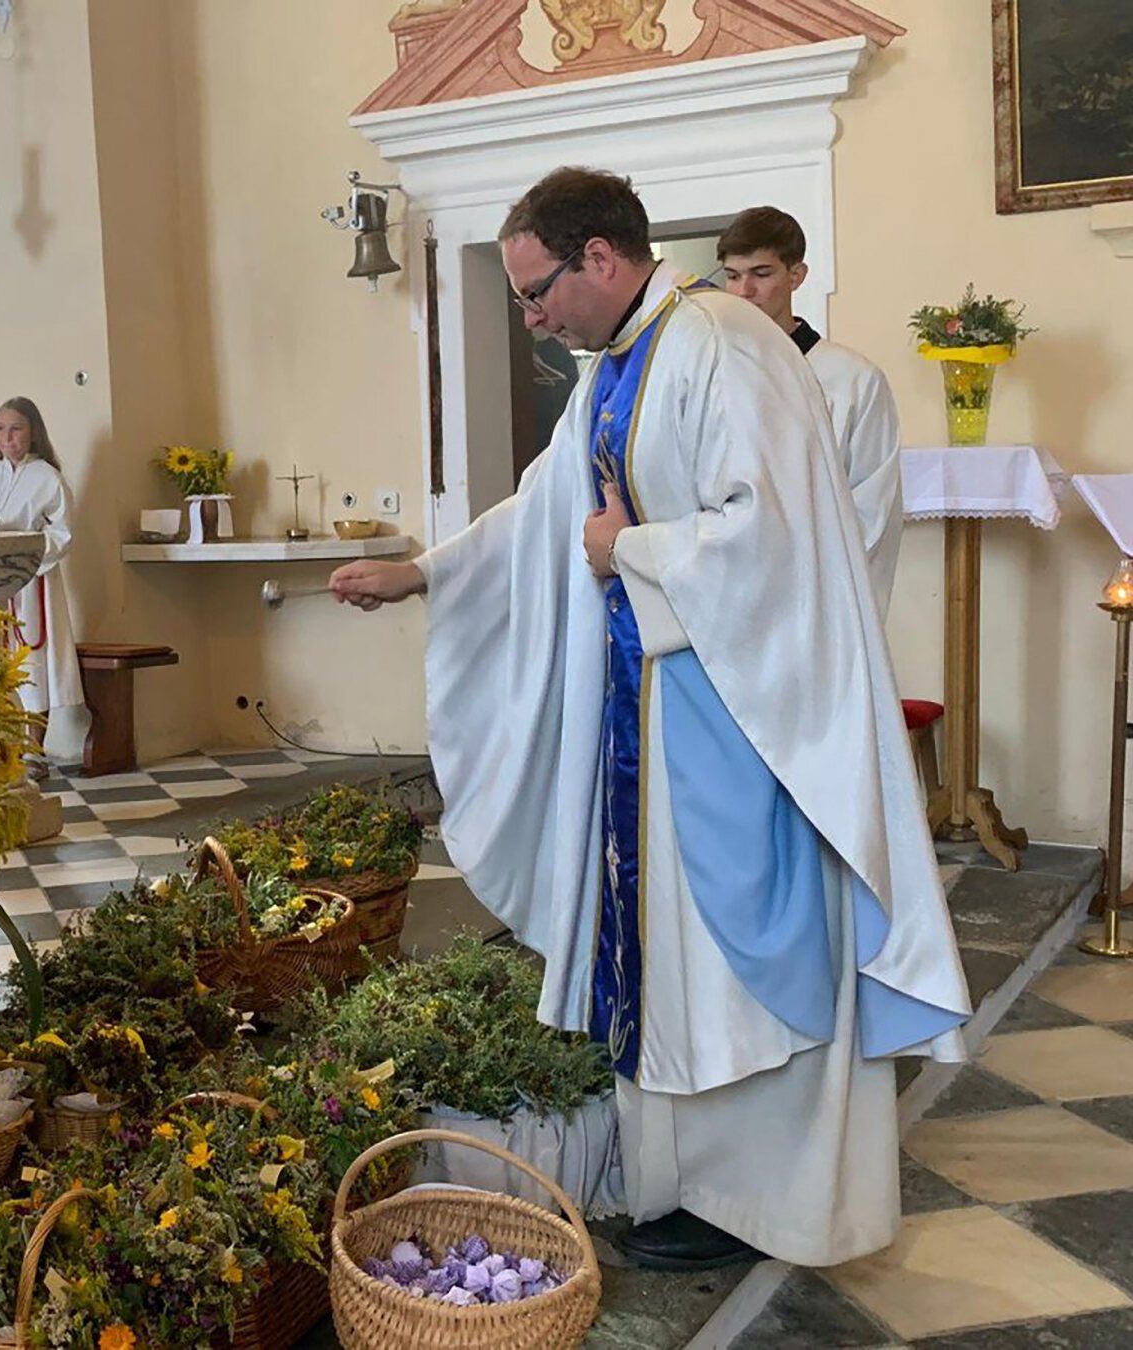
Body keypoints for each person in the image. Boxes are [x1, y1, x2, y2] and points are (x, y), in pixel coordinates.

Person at [329, 167, 968, 1271]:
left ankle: (777, 1201)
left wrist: (628, 548)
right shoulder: (618, 365)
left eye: (537, 293)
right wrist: (421, 572)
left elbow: (769, 537)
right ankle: (695, 1185)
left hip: (747, 718)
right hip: (661, 719)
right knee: (670, 967)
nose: (532, 316)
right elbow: (544, 510)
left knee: (746, 964)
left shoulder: (722, 343)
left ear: (602, 261)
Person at [718, 205, 904, 615]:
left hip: (816, 603)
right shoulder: (710, 374)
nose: (744, 291)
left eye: (761, 274)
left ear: (796, 275)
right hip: (727, 599)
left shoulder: (853, 380)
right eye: (733, 276)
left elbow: (872, 513)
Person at [0, 397, 83, 772]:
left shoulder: (47, 478)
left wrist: (24, 552)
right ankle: (0, 744)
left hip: (33, 583)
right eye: (1, 429)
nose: (8, 437)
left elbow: (62, 534)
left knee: (35, 660)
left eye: (16, 429)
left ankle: (34, 749)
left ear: (33, 434)